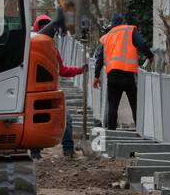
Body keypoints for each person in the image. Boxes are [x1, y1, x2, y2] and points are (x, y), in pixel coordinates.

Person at [30, 14, 82, 159]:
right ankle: (36, 153)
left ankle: (68, 151)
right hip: (34, 92)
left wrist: (79, 70)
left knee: (66, 119)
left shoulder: (51, 48)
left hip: (49, 91)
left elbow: (62, 70)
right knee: (36, 121)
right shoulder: (30, 46)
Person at [93, 13, 150, 130]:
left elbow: (99, 58)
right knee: (135, 104)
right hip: (128, 75)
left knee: (113, 106)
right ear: (123, 22)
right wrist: (150, 55)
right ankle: (140, 130)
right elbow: (142, 44)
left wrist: (96, 76)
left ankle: (111, 132)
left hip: (112, 75)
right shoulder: (130, 31)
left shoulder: (108, 36)